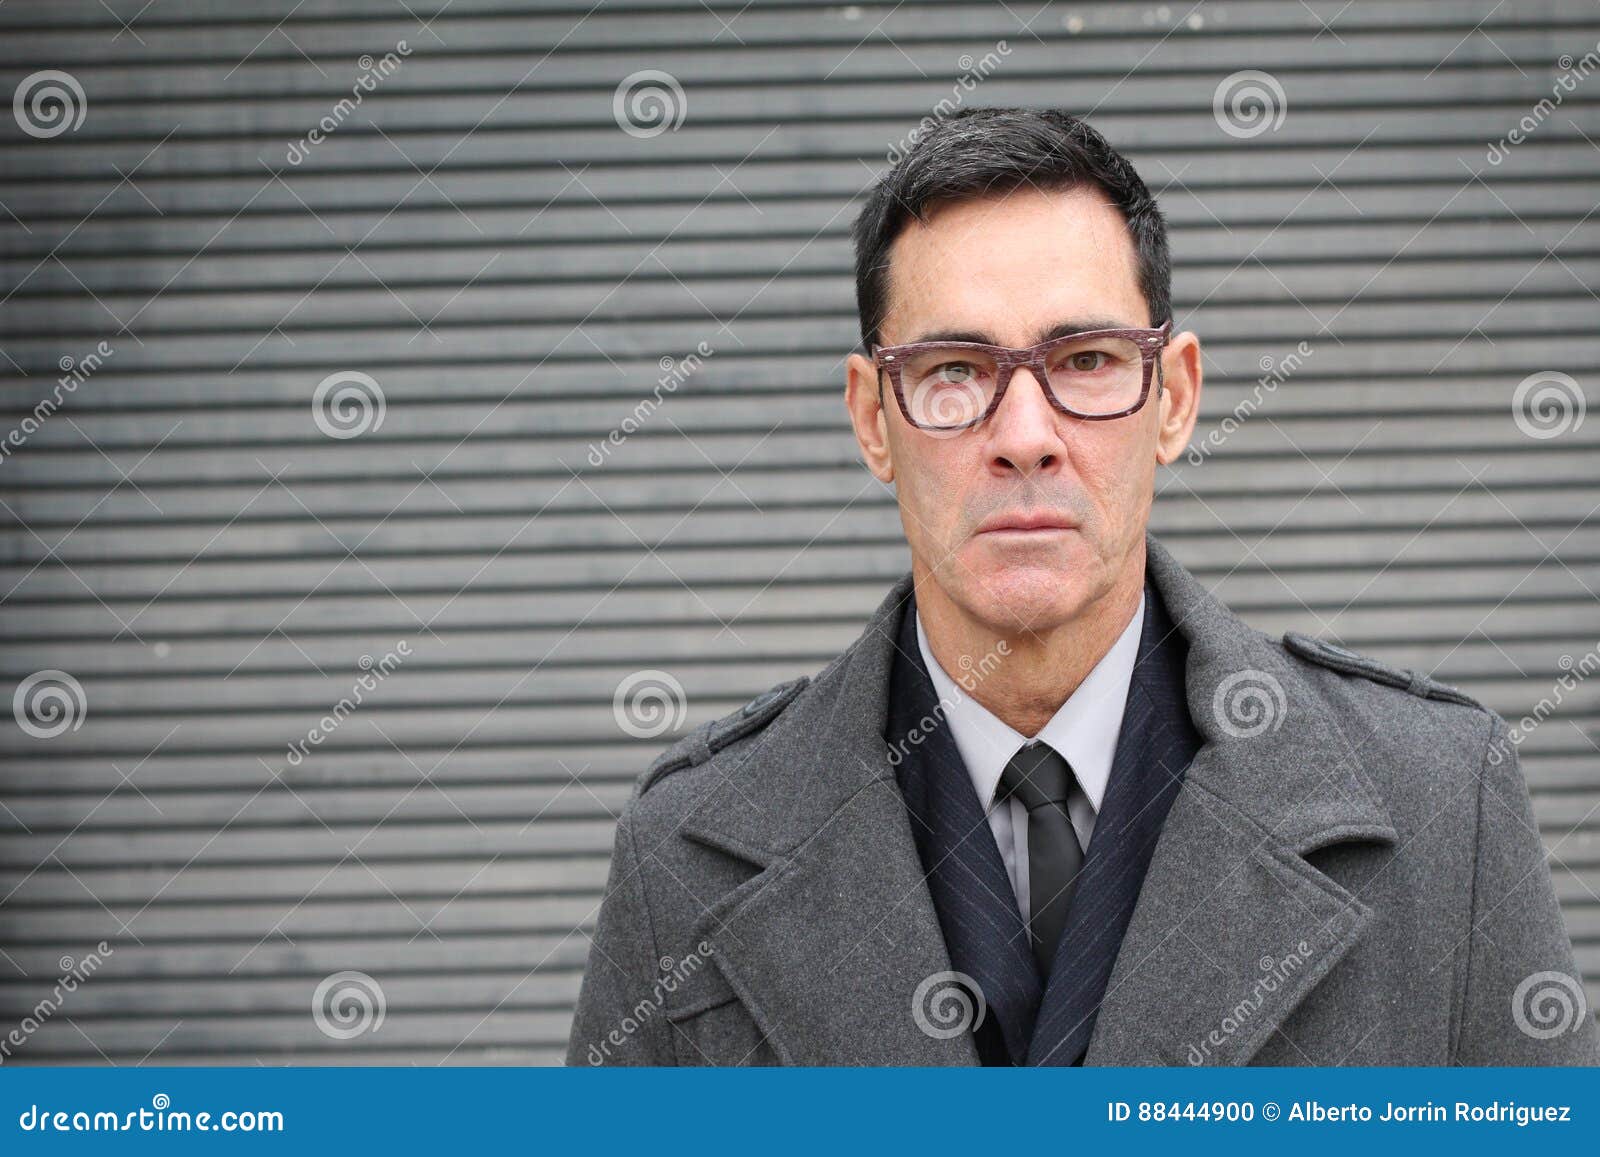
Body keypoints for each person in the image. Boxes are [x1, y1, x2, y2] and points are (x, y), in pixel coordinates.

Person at [567, 108, 1597, 1067]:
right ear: (874, 418)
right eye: (954, 369)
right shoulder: (686, 855)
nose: (1024, 437)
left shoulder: (1439, 805)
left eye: (1088, 359)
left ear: (1174, 398)